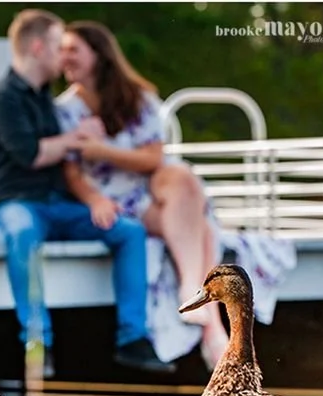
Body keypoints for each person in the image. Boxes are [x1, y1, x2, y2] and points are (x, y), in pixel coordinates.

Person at [0, 9, 173, 378]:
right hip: (16, 205)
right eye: (57, 46)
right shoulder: (3, 99)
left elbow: (69, 159)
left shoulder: (46, 98)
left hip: (58, 206)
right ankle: (38, 342)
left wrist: (94, 180)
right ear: (37, 48)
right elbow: (33, 154)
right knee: (22, 233)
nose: (63, 56)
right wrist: (78, 139)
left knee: (129, 231)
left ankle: (133, 338)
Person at [55, 20, 229, 370]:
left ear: (98, 54)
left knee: (183, 178)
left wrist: (102, 150)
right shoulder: (63, 111)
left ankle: (192, 293)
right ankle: (212, 325)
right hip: (108, 199)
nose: (64, 57)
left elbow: (152, 158)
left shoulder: (139, 98)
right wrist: (95, 201)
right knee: (203, 230)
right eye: (61, 49)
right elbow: (70, 174)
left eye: (73, 49)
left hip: (147, 188)